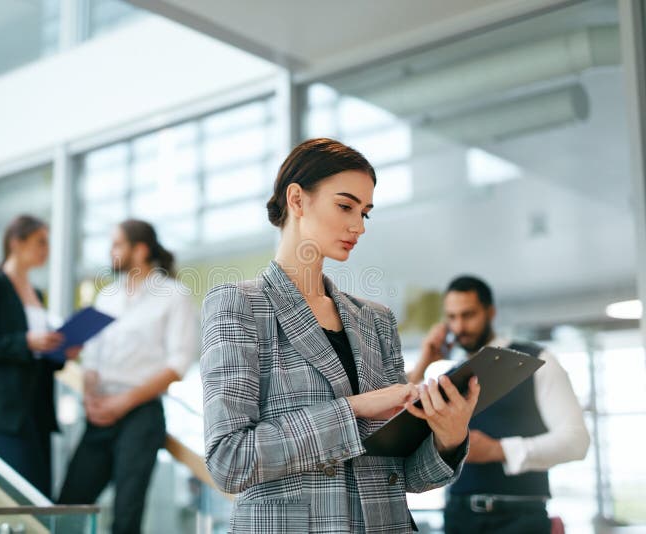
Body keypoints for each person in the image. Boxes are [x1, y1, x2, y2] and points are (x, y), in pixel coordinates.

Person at [200, 138, 480, 533]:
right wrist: (356, 408)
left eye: (365, 212)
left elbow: (408, 477)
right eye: (346, 206)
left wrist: (448, 438)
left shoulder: (376, 320)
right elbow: (229, 462)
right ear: (297, 200)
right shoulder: (239, 304)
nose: (358, 226)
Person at [407, 275, 590, 534]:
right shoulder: (452, 377)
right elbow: (402, 418)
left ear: (490, 312)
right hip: (459, 518)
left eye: (468, 315)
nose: (459, 327)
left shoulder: (536, 361)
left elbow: (576, 441)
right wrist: (424, 362)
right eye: (452, 317)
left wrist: (497, 450)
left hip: (520, 518)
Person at [58, 219, 198, 534]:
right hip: (99, 413)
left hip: (140, 414)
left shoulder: (173, 295)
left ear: (141, 249)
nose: (111, 252)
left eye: (117, 244)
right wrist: (90, 398)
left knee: (126, 516)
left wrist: (123, 403)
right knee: (68, 505)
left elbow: (179, 363)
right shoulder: (107, 295)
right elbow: (92, 356)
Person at [0, 214, 80, 497]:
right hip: (5, 410)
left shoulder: (36, 293)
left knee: (39, 495)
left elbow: (34, 357)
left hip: (37, 406)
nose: (46, 250)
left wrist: (61, 351)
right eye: (41, 242)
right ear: (16, 242)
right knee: (14, 497)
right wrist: (25, 341)